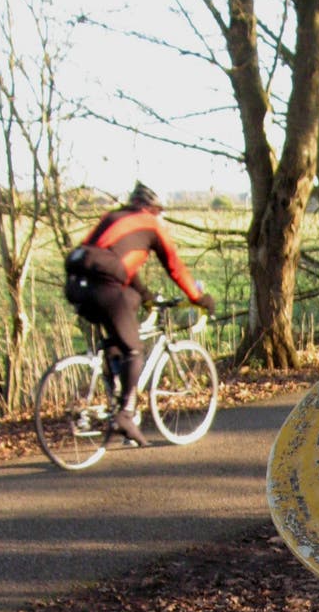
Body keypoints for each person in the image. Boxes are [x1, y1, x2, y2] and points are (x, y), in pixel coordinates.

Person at [64, 182, 216, 447]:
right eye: (159, 210)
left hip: (77, 286)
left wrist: (145, 297)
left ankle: (117, 406)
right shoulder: (151, 224)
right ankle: (124, 415)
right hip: (104, 287)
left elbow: (122, 268)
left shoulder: (113, 217)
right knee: (134, 349)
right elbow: (174, 266)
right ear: (151, 208)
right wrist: (199, 298)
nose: (160, 216)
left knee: (119, 339)